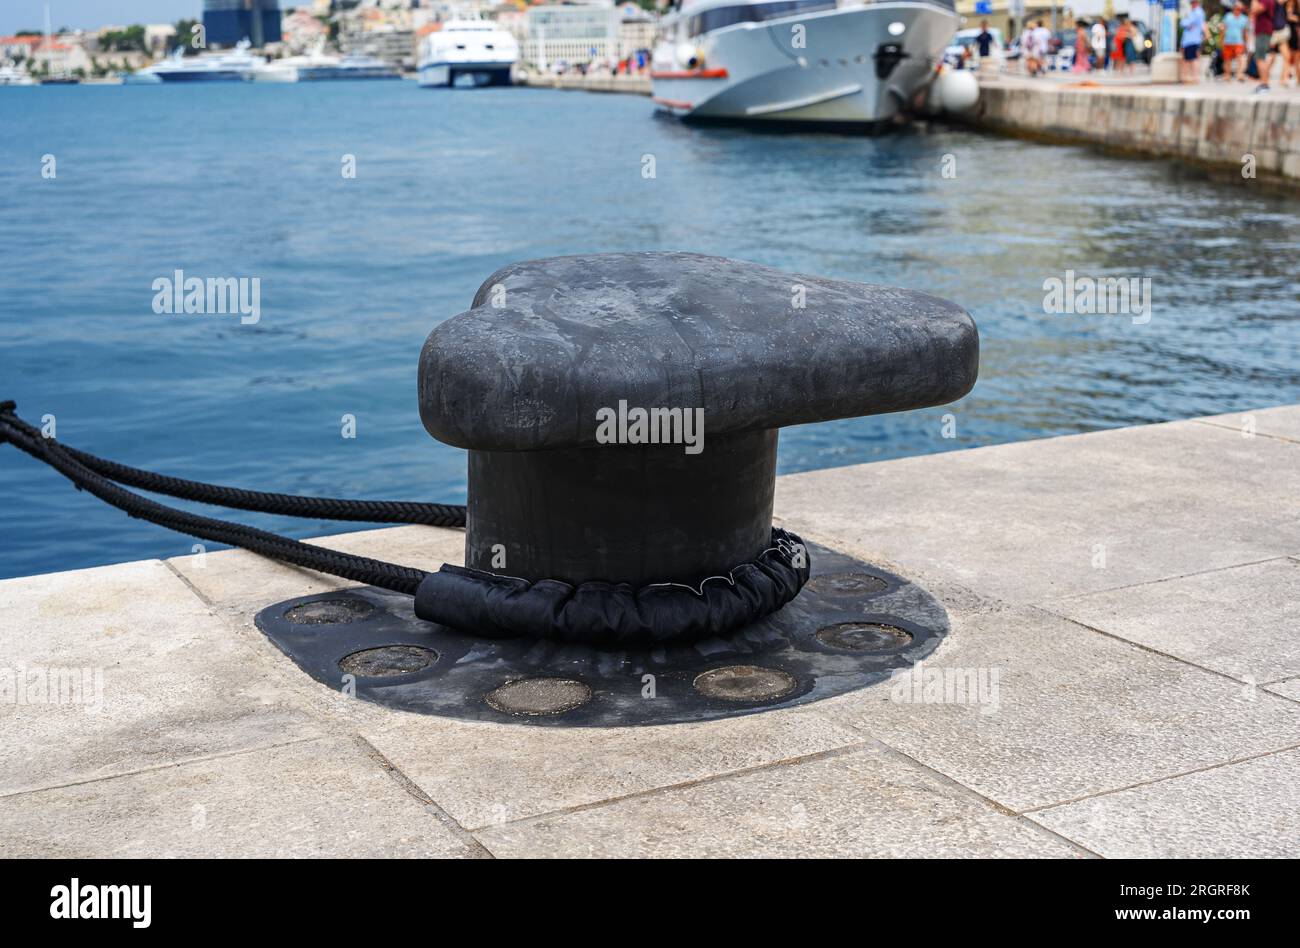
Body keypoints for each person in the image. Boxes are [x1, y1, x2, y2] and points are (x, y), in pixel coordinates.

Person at [1251, 0, 1278, 90]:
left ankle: (1264, 84)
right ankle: (1264, 83)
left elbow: (1255, 10)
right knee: (1260, 58)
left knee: (1260, 58)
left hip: (1263, 31)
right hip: (1263, 31)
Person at [1222, 2, 1250, 80]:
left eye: (1240, 9)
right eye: (1236, 8)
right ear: (1233, 9)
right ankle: (1227, 75)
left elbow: (1245, 32)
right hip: (1228, 41)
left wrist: (1246, 43)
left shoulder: (1244, 19)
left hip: (1239, 42)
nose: (1238, 10)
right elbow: (1223, 28)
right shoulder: (1228, 16)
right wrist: (1222, 40)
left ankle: (1239, 74)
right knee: (1227, 59)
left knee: (1240, 58)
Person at [1180, 0, 1206, 82]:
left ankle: (1194, 77)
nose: (1192, 4)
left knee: (1193, 59)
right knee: (1188, 59)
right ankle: (1189, 77)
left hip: (1192, 40)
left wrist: (1186, 22)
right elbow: (1184, 23)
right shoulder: (1193, 12)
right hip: (1189, 40)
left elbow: (1185, 23)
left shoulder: (1197, 12)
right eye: (1192, 3)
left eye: (1194, 2)